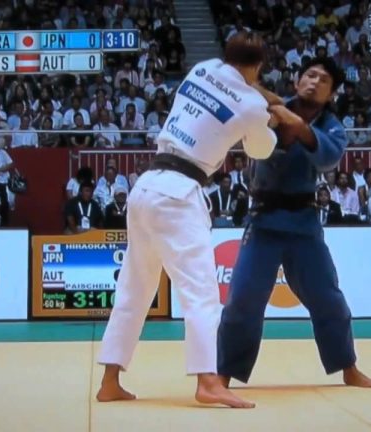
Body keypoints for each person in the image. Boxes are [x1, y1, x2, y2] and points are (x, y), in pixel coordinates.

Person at [96, 32, 278, 408]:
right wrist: (268, 110)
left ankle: (110, 380)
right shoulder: (251, 105)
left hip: (144, 187)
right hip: (179, 193)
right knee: (201, 294)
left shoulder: (202, 69)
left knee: (134, 289)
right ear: (259, 67)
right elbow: (260, 148)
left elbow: (232, 82)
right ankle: (208, 381)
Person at [217, 57, 371, 390]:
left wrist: (292, 121)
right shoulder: (267, 110)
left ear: (330, 94)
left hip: (304, 223)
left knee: (327, 297)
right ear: (296, 82)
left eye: (324, 81)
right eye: (310, 75)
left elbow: (329, 157)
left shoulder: (332, 126)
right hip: (263, 220)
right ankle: (223, 373)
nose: (315, 82)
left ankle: (347, 366)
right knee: (243, 298)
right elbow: (244, 110)